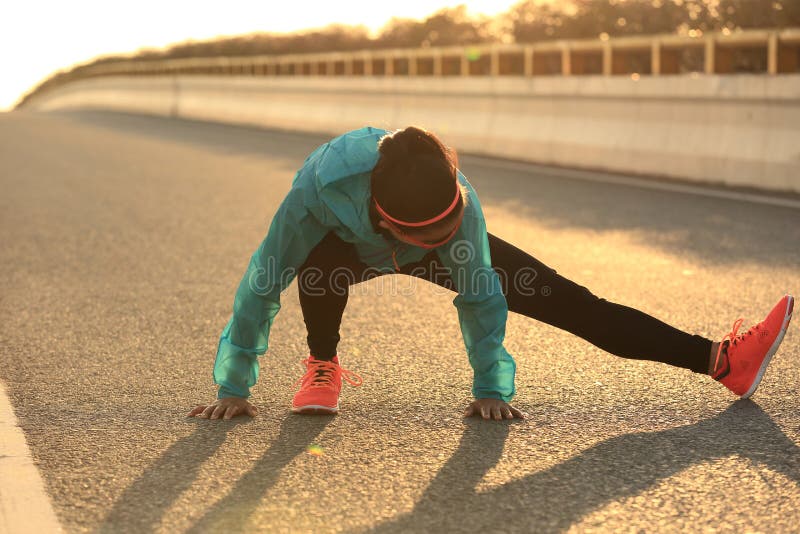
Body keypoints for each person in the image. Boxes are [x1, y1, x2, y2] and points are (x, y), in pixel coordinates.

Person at [188, 125, 795, 422]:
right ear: (386, 219)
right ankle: (324, 364)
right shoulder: (314, 195)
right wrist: (234, 386)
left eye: (449, 225)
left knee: (564, 298)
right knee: (311, 269)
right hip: (342, 248)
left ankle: (720, 359)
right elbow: (261, 284)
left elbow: (480, 297)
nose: (444, 241)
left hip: (420, 230)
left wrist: (490, 386)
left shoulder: (459, 216)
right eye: (429, 236)